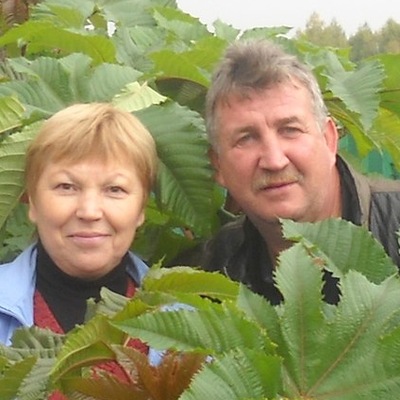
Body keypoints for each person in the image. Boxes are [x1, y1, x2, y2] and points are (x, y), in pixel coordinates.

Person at [175, 39, 400, 305]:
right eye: (246, 138)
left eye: (290, 130)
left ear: (329, 140)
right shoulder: (213, 273)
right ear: (218, 166)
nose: (274, 160)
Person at [0, 102, 158, 345]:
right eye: (66, 187)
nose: (89, 211)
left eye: (114, 189)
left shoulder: (187, 320)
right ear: (32, 201)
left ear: (141, 208)